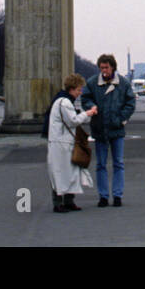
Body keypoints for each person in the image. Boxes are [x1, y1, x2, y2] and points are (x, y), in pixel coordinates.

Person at [82, 54, 137, 205]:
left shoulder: (123, 84)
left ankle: (117, 195)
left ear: (113, 67)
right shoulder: (92, 82)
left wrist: (121, 119)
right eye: (101, 68)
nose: (104, 70)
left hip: (116, 129)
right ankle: (103, 196)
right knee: (100, 164)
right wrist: (91, 107)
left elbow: (130, 102)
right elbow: (85, 99)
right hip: (99, 129)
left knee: (118, 163)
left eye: (106, 67)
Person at [47, 73, 98, 213]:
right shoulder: (65, 102)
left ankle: (64, 201)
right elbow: (73, 121)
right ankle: (62, 202)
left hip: (60, 142)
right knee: (65, 172)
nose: (80, 92)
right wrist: (88, 113)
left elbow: (72, 119)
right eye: (78, 89)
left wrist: (85, 114)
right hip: (61, 143)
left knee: (62, 172)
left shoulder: (61, 100)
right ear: (72, 88)